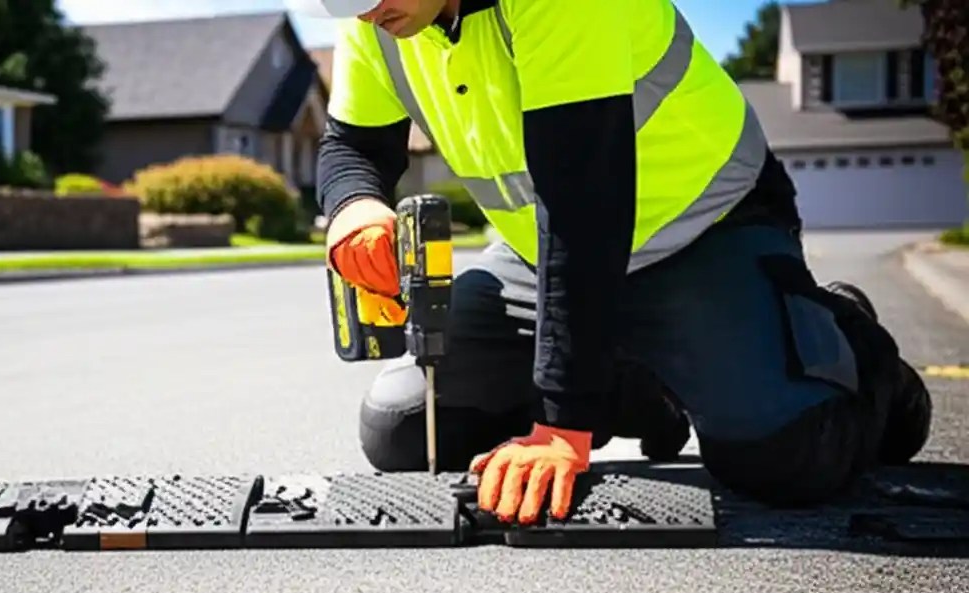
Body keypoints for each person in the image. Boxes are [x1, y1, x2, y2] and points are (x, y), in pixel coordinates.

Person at [290, 0, 933, 526]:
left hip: (700, 230)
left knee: (787, 454)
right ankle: (631, 377)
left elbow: (583, 207)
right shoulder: (378, 21)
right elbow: (352, 145)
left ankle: (846, 339)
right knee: (405, 431)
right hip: (541, 258)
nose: (366, 11)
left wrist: (562, 426)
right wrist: (354, 207)